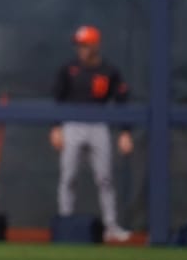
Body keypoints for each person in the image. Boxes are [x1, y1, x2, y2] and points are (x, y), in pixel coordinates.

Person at [51, 25, 133, 242]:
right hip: (72, 125)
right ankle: (65, 224)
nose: (82, 49)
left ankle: (111, 226)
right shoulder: (68, 69)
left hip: (98, 125)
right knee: (68, 176)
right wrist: (56, 127)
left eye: (86, 45)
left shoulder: (109, 71)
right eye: (80, 45)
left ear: (96, 45)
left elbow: (122, 101)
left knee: (104, 177)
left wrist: (125, 132)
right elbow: (57, 100)